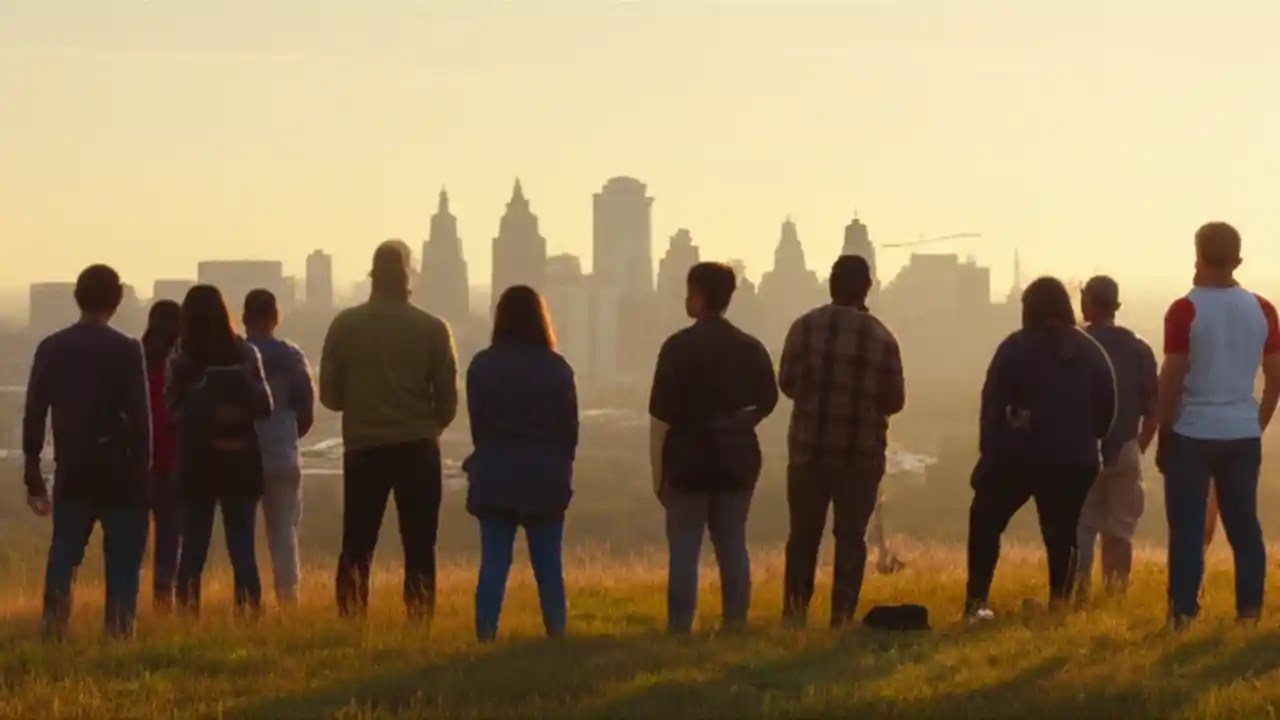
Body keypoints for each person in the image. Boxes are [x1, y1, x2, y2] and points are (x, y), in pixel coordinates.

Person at [321, 240, 459, 620]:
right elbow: (447, 400)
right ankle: (419, 620)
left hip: (364, 446)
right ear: (408, 276)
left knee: (357, 542)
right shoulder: (433, 329)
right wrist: (427, 424)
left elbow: (330, 395)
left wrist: (362, 405)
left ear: (372, 276)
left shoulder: (345, 326)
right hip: (418, 446)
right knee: (420, 544)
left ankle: (351, 619)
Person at [965, 277, 1115, 622]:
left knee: (986, 521)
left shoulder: (1015, 348)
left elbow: (992, 409)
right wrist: (1087, 439)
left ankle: (976, 602)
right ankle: (1059, 603)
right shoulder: (1091, 351)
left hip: (1017, 455)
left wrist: (990, 456)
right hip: (1074, 458)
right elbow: (1106, 413)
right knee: (1063, 533)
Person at [1157, 222, 1280, 627]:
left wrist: (1163, 431)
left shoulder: (1184, 309)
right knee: (1244, 527)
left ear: (1197, 255)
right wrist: (1257, 421)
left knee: (1188, 530)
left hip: (1192, 431)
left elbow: (1172, 378)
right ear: (1237, 259)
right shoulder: (1263, 309)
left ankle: (1183, 612)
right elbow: (1275, 376)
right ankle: (1249, 611)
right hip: (1242, 432)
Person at [649, 262, 778, 635]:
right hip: (736, 459)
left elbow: (660, 421)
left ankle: (680, 627)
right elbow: (768, 400)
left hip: (687, 460)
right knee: (733, 545)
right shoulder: (750, 347)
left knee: (684, 550)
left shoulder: (677, 348)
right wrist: (741, 423)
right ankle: (735, 623)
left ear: (699, 296)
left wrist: (659, 475)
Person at [24, 266, 151, 639]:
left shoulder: (52, 347)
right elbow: (141, 421)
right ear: (116, 302)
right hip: (120, 471)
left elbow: (35, 413)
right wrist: (144, 475)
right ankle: (119, 630)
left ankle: (54, 624)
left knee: (64, 552)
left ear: (78, 297)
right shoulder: (127, 349)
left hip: (73, 468)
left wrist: (33, 472)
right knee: (123, 559)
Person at [779, 255, 906, 628]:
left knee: (803, 537)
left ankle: (795, 614)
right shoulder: (882, 337)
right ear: (867, 288)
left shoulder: (805, 328)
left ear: (830, 284)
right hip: (860, 456)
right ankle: (842, 616)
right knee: (851, 539)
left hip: (808, 451)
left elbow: (787, 382)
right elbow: (895, 400)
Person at [464, 286, 578, 642]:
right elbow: (569, 431)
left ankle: (485, 636)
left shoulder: (482, 365)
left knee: (494, 564)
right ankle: (556, 634)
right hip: (545, 476)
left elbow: (478, 425)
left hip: (495, 474)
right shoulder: (557, 368)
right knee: (549, 565)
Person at [167, 285, 273, 616]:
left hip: (197, 463)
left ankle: (187, 617)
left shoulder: (182, 362)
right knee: (242, 550)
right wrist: (234, 409)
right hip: (240, 460)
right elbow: (265, 406)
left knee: (192, 550)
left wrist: (202, 408)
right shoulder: (245, 354)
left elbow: (172, 412)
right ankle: (249, 614)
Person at [1075, 276, 1158, 595]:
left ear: (1088, 303)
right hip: (1125, 446)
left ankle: (1077, 592)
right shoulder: (1138, 348)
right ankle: (1115, 592)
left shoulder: (1076, 345)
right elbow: (1153, 408)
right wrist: (1138, 446)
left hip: (1083, 449)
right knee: (1120, 529)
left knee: (1082, 526)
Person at [244, 289, 316, 609]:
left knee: (241, 534)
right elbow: (307, 410)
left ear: (245, 318)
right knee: (284, 532)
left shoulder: (236, 355)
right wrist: (287, 435)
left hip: (241, 453)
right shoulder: (291, 356)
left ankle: (247, 601)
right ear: (276, 317)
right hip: (282, 452)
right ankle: (288, 600)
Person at [142, 299, 183, 611]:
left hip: (139, 460)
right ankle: (163, 598)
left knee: (132, 536)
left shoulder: (136, 363)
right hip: (174, 459)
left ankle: (126, 598)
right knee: (170, 536)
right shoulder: (183, 365)